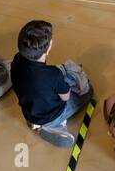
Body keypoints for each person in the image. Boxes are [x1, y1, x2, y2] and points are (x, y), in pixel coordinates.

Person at [10, 19, 92, 148]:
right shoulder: (53, 75)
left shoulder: (16, 60)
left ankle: (36, 123)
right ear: (48, 49)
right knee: (88, 92)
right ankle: (55, 126)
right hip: (50, 114)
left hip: (29, 111)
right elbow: (66, 97)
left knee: (57, 79)